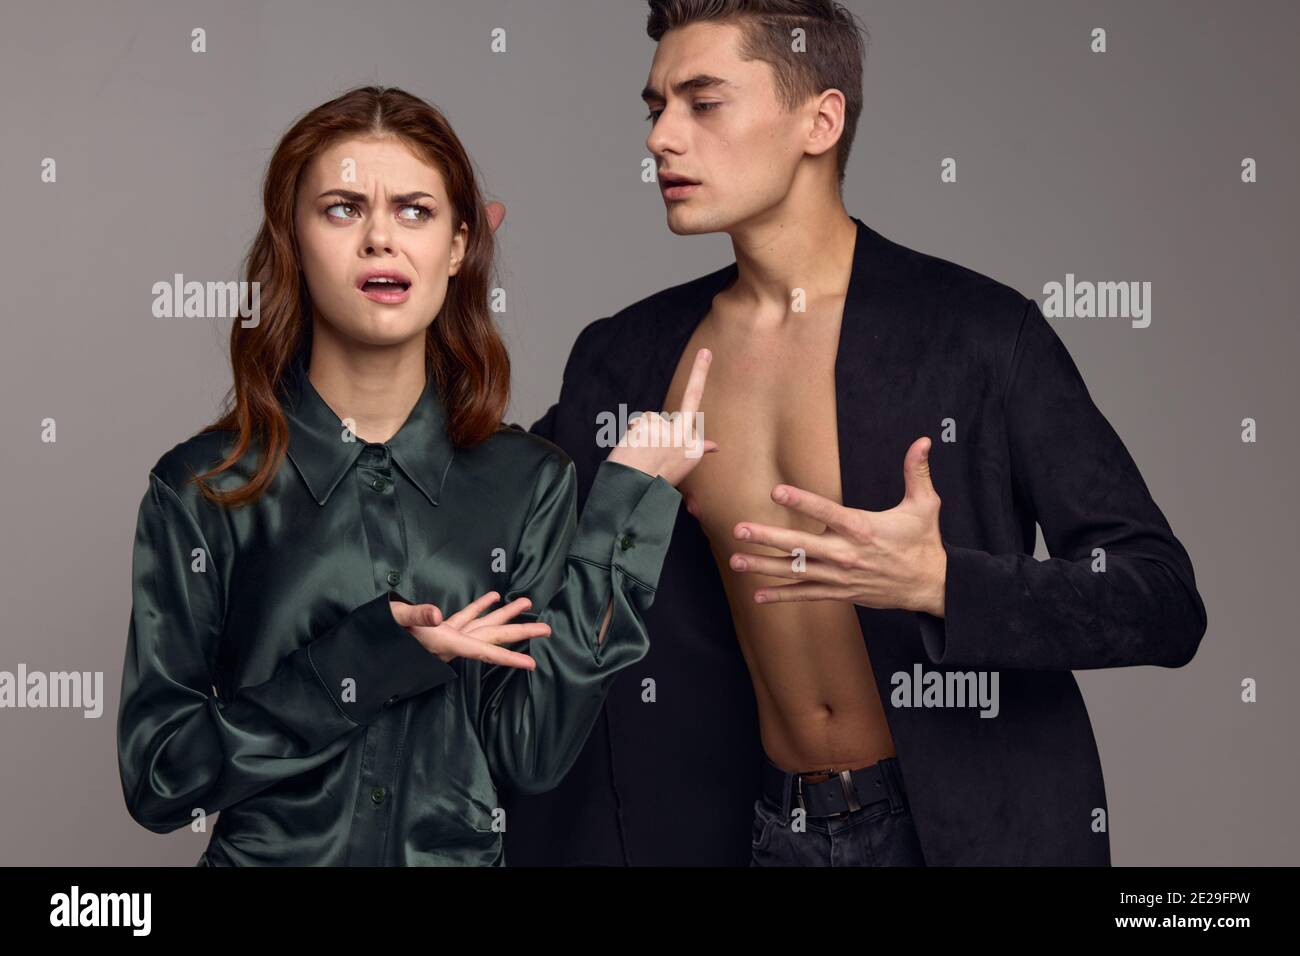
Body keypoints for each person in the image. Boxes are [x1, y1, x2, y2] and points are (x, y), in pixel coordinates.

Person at [497, 0, 1208, 866]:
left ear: (819, 120)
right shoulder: (629, 356)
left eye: (702, 102)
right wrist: (446, 279)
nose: (660, 139)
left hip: (964, 834)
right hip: (759, 830)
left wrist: (944, 583)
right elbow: (488, 526)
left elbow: (1165, 601)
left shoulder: (978, 335)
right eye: (656, 108)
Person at [116, 85, 715, 866]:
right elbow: (161, 775)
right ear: (292, 240)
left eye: (414, 211)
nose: (379, 240)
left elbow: (530, 755)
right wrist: (365, 662)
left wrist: (628, 506)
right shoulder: (203, 487)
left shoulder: (529, 482)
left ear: (459, 247)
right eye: (340, 208)